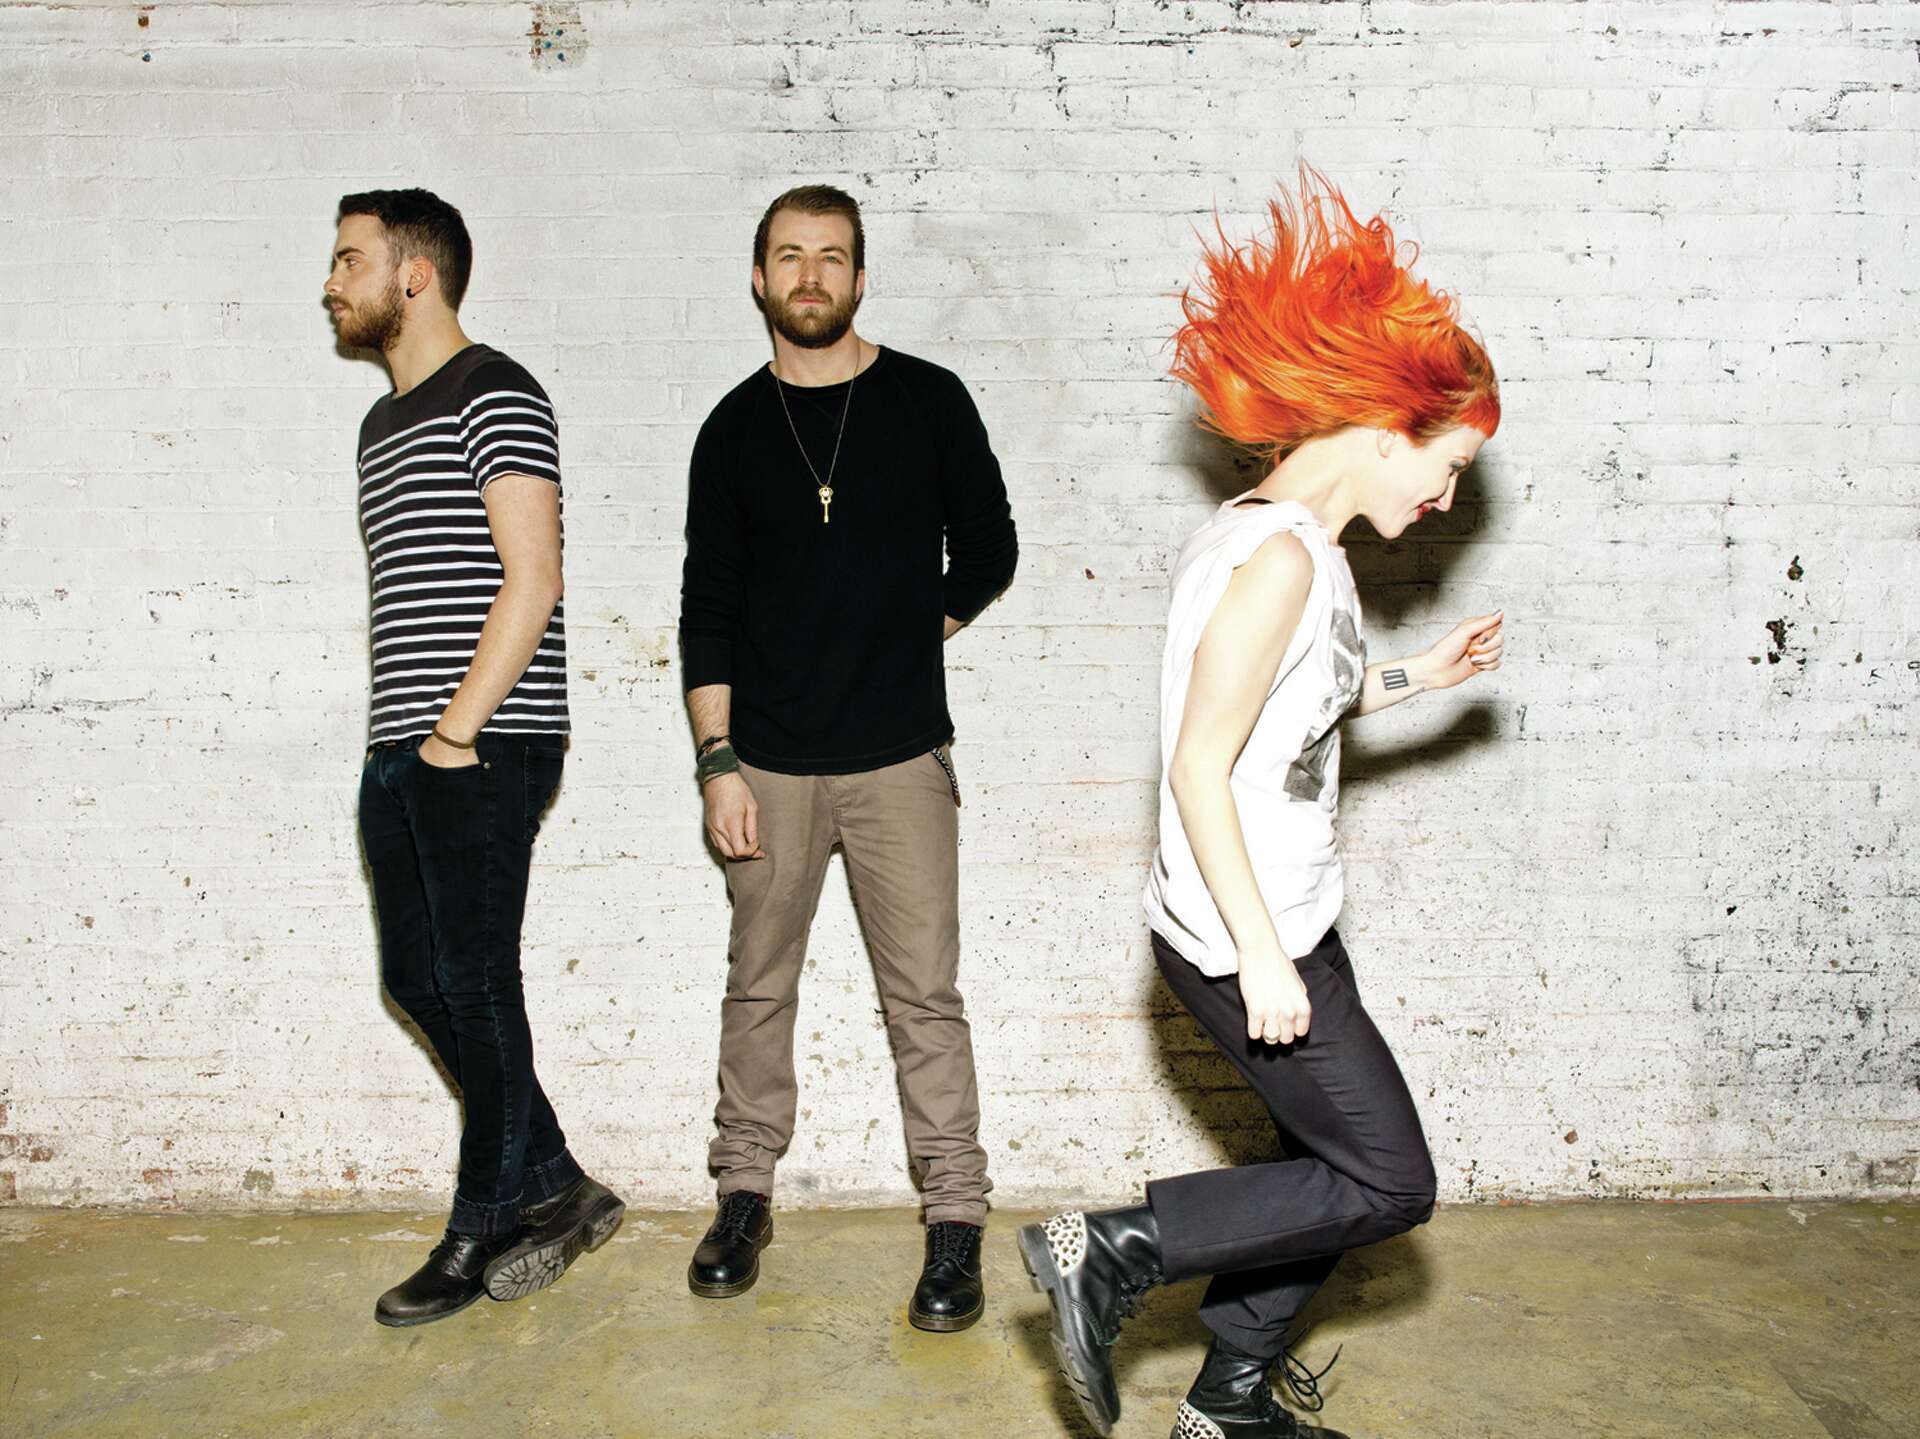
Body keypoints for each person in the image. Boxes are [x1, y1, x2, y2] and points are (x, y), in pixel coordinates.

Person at [1018, 172, 1505, 1437]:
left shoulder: (1297, 543)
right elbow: (1198, 762)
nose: (1446, 500)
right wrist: (1261, 955)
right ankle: (1110, 1247)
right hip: (1250, 935)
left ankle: (1228, 1399)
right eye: (1450, 467)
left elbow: (1294, 711)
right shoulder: (1276, 558)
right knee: (1390, 1179)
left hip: (1285, 918)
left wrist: (1419, 673)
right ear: (1389, 428)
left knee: (1327, 1169)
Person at [677, 184, 1018, 1331]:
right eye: (790, 255)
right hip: (767, 765)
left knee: (924, 997)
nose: (811, 274)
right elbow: (707, 609)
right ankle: (742, 1194)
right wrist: (717, 759)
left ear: (861, 279)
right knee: (758, 985)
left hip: (899, 760)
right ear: (760, 278)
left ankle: (956, 1218)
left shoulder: (928, 399)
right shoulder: (732, 429)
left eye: (832, 256)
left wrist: (907, 634)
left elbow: (990, 546)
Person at [326, 188, 624, 1328]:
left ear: (415, 274)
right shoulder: (380, 425)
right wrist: (407, 740)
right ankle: (558, 1182)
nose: (331, 281)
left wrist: (456, 731)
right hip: (401, 742)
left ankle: (482, 1222)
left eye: (350, 259)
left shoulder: (497, 389)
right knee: (418, 976)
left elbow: (532, 577)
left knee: (478, 979)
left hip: (485, 740)